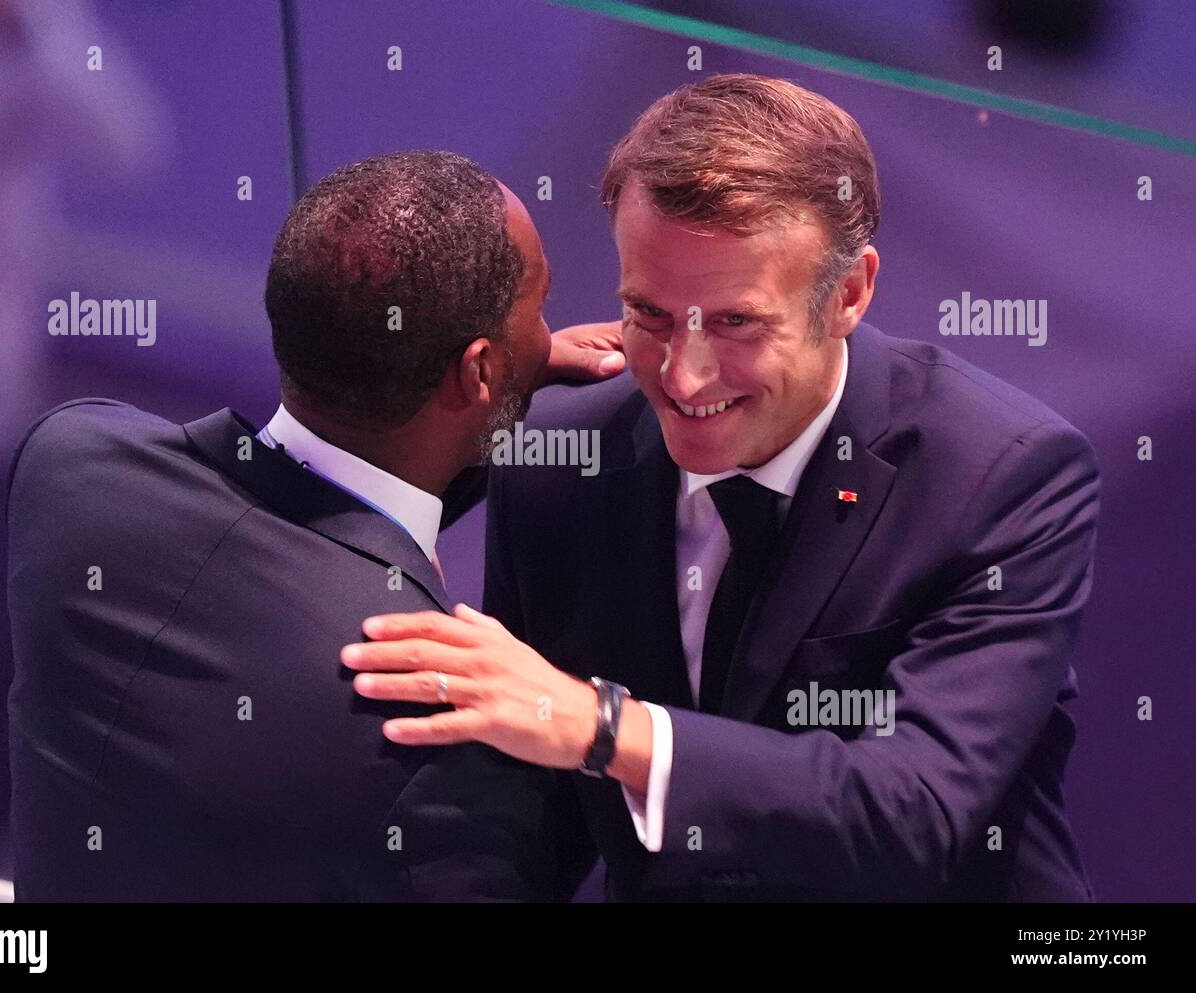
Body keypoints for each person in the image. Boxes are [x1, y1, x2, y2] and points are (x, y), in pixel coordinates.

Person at [343, 76, 1100, 901]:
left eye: (736, 322)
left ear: (848, 293)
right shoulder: (560, 459)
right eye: (650, 313)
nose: (682, 374)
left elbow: (912, 811)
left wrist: (603, 726)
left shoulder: (1003, 475)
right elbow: (531, 819)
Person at [6, 149, 622, 900]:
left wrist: (506, 381)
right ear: (477, 370)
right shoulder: (435, 733)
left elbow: (330, 508)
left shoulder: (69, 469)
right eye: (540, 307)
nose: (549, 329)